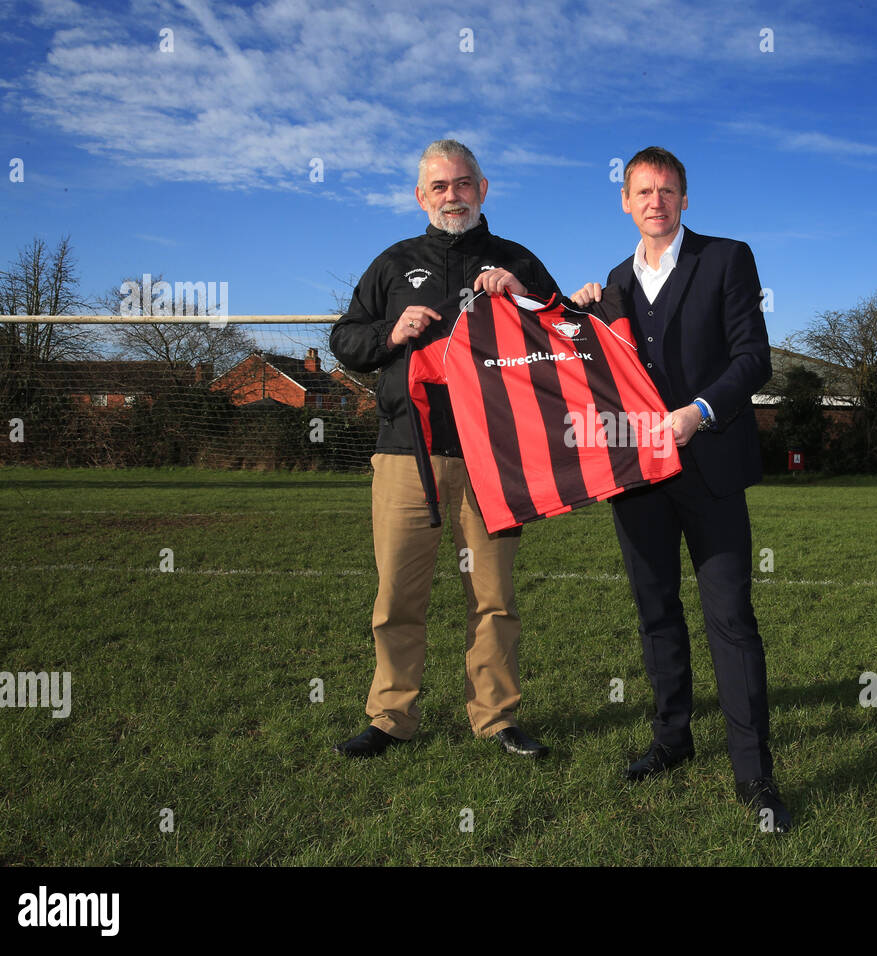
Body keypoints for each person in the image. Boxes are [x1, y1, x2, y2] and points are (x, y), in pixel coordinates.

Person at [573, 146, 792, 831]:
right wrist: (577, 313)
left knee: (730, 618)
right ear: (625, 201)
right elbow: (589, 364)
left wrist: (698, 413)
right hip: (637, 476)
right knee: (656, 611)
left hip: (712, 466)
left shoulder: (727, 259)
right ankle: (672, 737)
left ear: (685, 198)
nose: (655, 201)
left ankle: (754, 772)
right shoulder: (613, 281)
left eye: (667, 190)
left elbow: (753, 355)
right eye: (642, 191)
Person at [330, 139, 560, 759]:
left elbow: (564, 337)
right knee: (397, 595)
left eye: (463, 184)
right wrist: (388, 332)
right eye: (439, 187)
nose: (452, 196)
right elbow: (344, 340)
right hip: (408, 453)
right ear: (420, 195)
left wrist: (528, 297)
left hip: (498, 459)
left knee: (493, 597)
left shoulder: (516, 260)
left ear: (483, 190)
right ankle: (389, 718)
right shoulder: (393, 263)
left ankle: (497, 718)